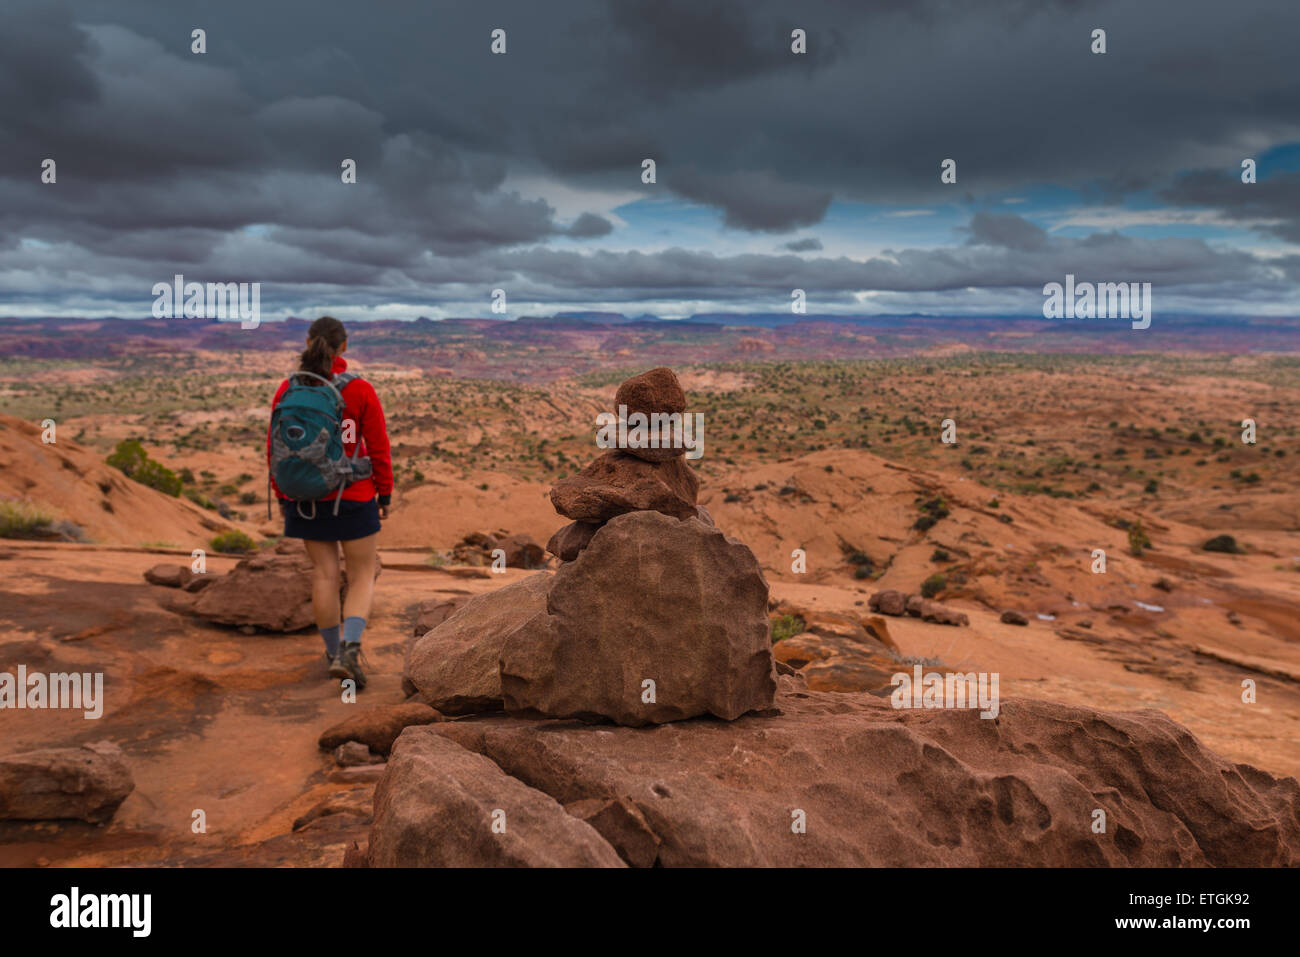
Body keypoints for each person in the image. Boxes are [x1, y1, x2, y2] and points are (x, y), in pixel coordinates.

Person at [266, 315, 392, 691]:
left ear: (308, 342)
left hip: (306, 498)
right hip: (353, 496)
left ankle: (332, 654)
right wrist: (384, 492)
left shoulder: (288, 388)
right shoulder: (360, 389)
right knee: (361, 575)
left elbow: (274, 448)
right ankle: (349, 654)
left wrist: (282, 495)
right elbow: (378, 447)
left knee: (324, 574)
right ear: (344, 346)